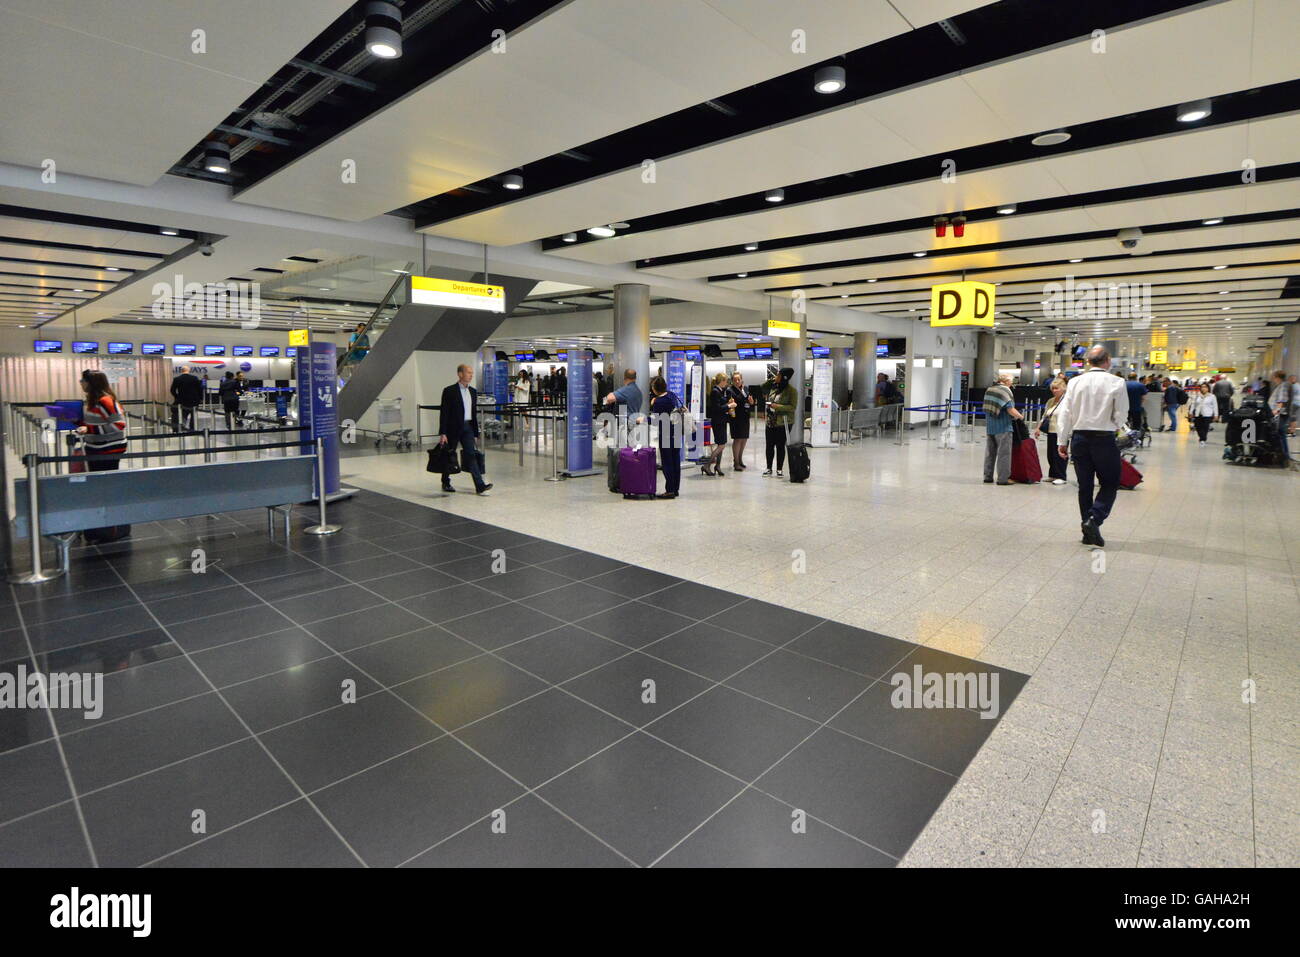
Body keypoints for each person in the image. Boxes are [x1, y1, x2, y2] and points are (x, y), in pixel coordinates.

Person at [1053, 345, 1128, 548]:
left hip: (1079, 439)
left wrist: (1062, 442)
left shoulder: (1075, 382)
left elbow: (1065, 414)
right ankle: (1093, 520)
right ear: (1108, 361)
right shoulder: (1117, 382)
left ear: (1088, 362)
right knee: (1110, 483)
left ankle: (1087, 532)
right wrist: (1117, 427)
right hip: (1104, 438)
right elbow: (1121, 414)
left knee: (1084, 486)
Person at [75, 370, 131, 543]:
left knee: (104, 488)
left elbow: (119, 424)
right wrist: (76, 422)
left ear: (92, 383)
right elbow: (94, 423)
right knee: (99, 488)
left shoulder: (105, 400)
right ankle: (101, 526)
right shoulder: (92, 401)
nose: (81, 383)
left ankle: (109, 527)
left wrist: (89, 430)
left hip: (108, 450)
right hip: (95, 448)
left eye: (83, 380)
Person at [437, 364, 492, 495]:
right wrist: (443, 432)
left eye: (472, 373)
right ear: (460, 374)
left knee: (471, 455)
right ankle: (445, 481)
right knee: (449, 455)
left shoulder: (472, 392)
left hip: (467, 428)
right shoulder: (449, 391)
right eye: (468, 372)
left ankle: (480, 485)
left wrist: (475, 432)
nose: (471, 375)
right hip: (453, 428)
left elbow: (473, 413)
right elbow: (444, 412)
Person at [982, 373, 1024, 485]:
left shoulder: (989, 390)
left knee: (990, 453)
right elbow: (1010, 409)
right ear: (1007, 381)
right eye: (1011, 381)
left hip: (990, 426)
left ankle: (988, 476)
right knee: (1004, 453)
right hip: (1003, 426)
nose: (1012, 383)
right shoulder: (1005, 391)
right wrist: (1020, 416)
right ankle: (1003, 479)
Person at [649, 375, 682, 499]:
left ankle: (669, 490)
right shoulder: (671, 395)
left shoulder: (659, 402)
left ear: (654, 388)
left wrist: (643, 419)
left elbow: (655, 421)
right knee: (675, 461)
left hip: (667, 434)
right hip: (677, 432)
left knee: (667, 462)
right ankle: (675, 488)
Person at [1035, 376, 1069, 485]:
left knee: (1060, 454)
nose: (1054, 390)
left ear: (1063, 388)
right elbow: (1044, 416)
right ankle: (1053, 474)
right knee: (1051, 454)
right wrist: (1038, 428)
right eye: (1053, 388)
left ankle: (1061, 476)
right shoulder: (1050, 401)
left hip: (1061, 431)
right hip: (1051, 430)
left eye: (1056, 388)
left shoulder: (1067, 401)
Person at [764, 367, 797, 476]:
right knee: (769, 445)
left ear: (784, 378)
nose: (776, 377)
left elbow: (792, 407)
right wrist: (771, 380)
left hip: (783, 423)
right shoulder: (774, 388)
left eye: (778, 375)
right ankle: (768, 468)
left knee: (780, 445)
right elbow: (762, 387)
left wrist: (777, 406)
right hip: (770, 421)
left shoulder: (792, 391)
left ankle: (779, 469)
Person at [702, 372, 730, 476]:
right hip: (718, 421)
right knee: (721, 446)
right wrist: (729, 406)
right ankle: (707, 465)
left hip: (721, 421)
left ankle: (718, 466)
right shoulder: (715, 392)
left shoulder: (720, 391)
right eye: (726, 381)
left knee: (720, 444)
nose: (726, 383)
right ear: (722, 381)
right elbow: (717, 408)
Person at [727, 371, 754, 471]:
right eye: (735, 380)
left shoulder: (746, 388)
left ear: (742, 379)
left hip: (745, 417)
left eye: (738, 379)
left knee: (744, 439)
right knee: (737, 439)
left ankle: (740, 459)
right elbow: (737, 400)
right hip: (736, 418)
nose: (737, 381)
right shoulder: (730, 390)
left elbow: (748, 400)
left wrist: (751, 402)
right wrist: (743, 397)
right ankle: (736, 462)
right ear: (732, 381)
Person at [1268, 370, 1292, 462]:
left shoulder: (1283, 385)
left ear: (1277, 377)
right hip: (1280, 413)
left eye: (1274, 377)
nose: (1273, 379)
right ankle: (1283, 455)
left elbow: (1282, 400)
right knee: (1280, 434)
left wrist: (1276, 411)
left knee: (1280, 434)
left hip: (1280, 414)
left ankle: (1284, 456)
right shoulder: (1282, 385)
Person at [170, 364, 203, 431]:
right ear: (189, 370)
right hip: (194, 400)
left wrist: (177, 397)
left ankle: (182, 427)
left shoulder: (177, 379)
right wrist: (200, 398)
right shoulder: (194, 378)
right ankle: (192, 429)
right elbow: (200, 389)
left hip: (182, 400)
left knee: (183, 414)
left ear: (181, 371)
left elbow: (172, 390)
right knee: (193, 415)